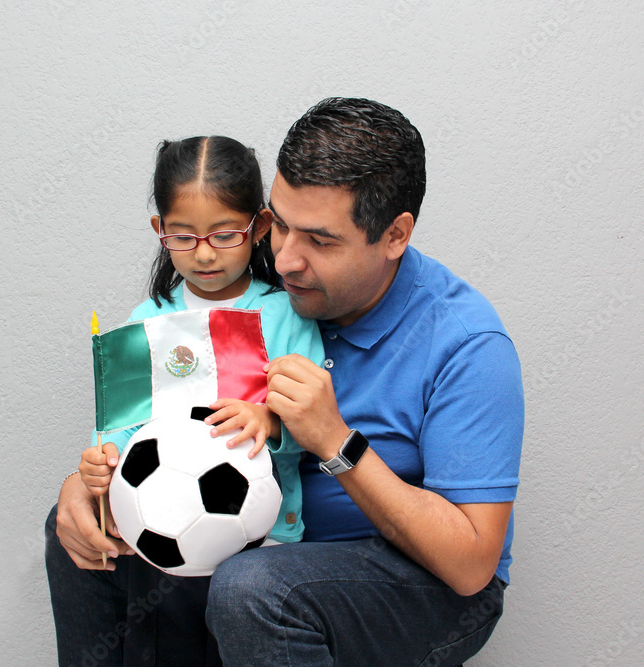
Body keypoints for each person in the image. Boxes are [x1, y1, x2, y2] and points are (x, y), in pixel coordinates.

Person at [47, 98, 524, 667]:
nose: (288, 260)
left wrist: (335, 442)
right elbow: (169, 417)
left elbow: (470, 565)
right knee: (77, 533)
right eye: (279, 226)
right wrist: (91, 487)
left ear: (395, 235)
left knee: (252, 588)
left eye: (320, 242)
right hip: (248, 542)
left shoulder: (466, 345)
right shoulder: (264, 298)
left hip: (411, 580)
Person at [48, 135, 324, 665]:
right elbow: (121, 428)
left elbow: (309, 430)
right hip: (163, 536)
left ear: (259, 227)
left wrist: (267, 420)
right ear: (160, 232)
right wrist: (98, 465)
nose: (202, 253)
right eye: (183, 235)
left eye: (223, 235)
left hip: (265, 540)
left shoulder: (287, 318)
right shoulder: (146, 322)